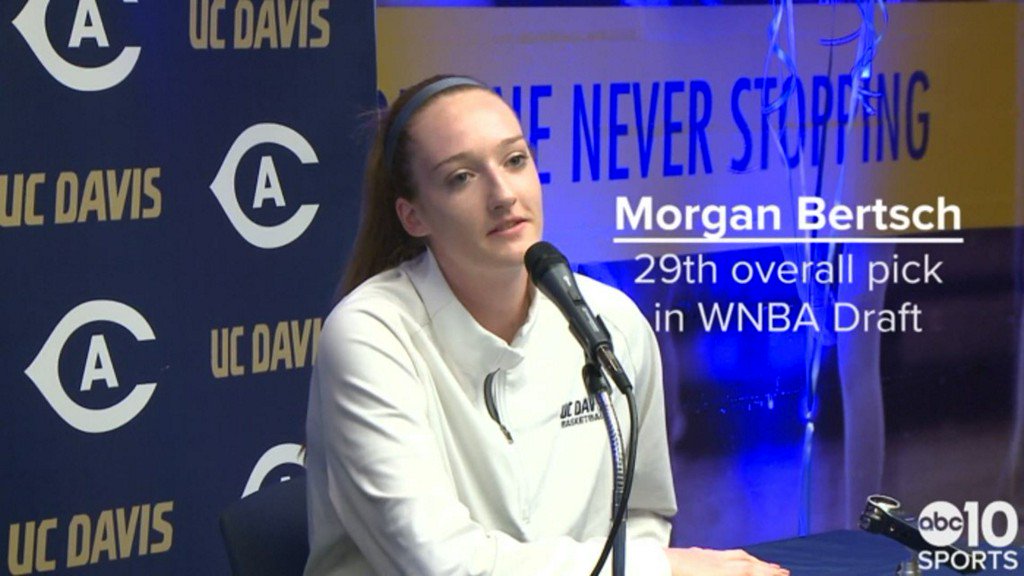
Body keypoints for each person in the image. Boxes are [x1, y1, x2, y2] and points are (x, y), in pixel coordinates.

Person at [303, 74, 789, 576]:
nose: (502, 194)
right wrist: (663, 570)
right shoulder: (370, 335)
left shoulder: (613, 322)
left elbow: (640, 515)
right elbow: (441, 565)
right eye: (461, 178)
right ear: (413, 215)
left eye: (515, 161)